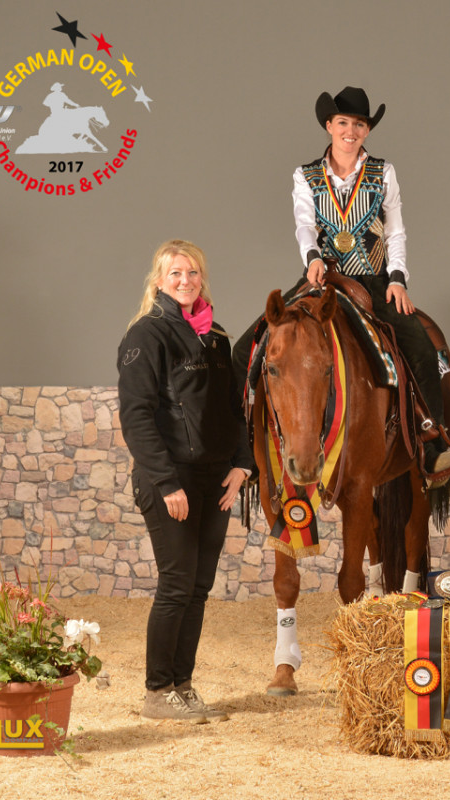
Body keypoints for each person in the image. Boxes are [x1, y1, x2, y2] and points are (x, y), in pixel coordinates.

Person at [232, 85, 450, 484]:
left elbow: (397, 231)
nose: (350, 131)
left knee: (419, 344)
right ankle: (242, 448)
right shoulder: (306, 175)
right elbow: (304, 224)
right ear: (329, 125)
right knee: (245, 348)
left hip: (372, 278)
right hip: (322, 274)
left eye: (359, 124)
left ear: (366, 130)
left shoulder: (383, 172)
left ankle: (430, 436)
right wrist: (313, 258)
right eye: (343, 123)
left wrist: (398, 278)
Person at [118, 240, 254, 723]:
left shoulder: (215, 337)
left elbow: (235, 410)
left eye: (193, 272)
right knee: (176, 585)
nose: (185, 280)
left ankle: (183, 686)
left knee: (198, 587)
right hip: (171, 480)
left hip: (215, 480)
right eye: (175, 273)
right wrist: (166, 482)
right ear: (159, 280)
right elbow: (136, 418)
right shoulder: (146, 335)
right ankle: (157, 691)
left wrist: (242, 465)